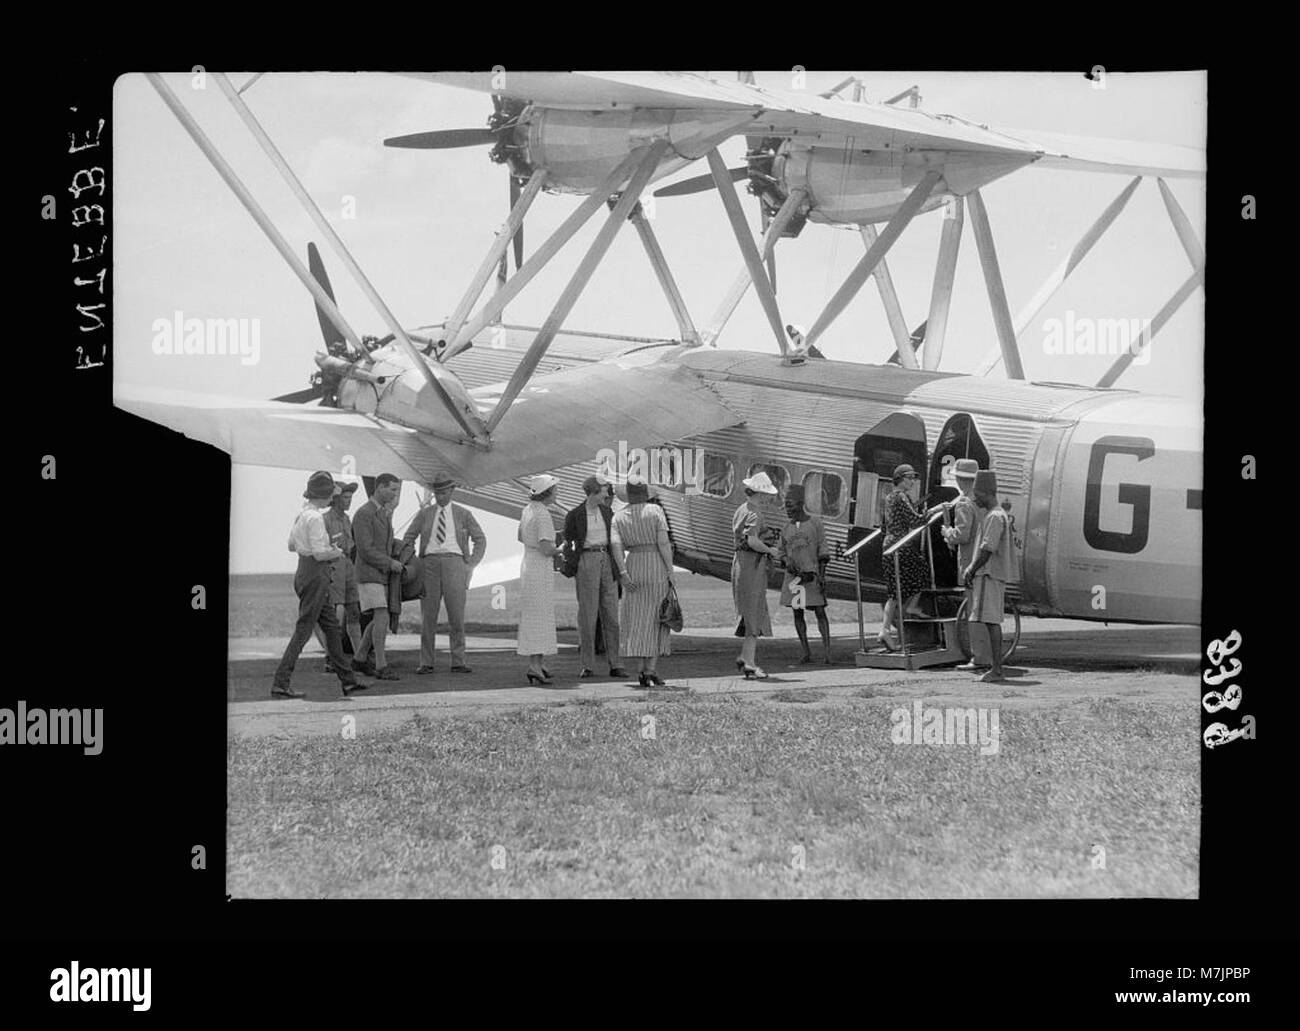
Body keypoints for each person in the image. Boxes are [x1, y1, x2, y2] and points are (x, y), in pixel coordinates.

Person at [272, 471, 368, 699]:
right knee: (303, 631)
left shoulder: (303, 514)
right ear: (324, 495)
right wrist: (335, 551)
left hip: (305, 572)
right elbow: (318, 554)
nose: (332, 499)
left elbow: (291, 545)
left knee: (332, 629)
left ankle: (348, 681)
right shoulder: (315, 518)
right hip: (316, 574)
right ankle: (281, 682)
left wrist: (317, 549)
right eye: (330, 495)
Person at [403, 475, 486, 675]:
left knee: (456, 616)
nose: (440, 496)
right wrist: (413, 561)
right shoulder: (425, 514)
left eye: (444, 492)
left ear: (451, 491)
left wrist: (470, 564)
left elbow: (480, 539)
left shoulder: (464, 514)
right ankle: (426, 662)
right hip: (429, 564)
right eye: (437, 492)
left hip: (455, 564)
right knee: (428, 616)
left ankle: (458, 661)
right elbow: (409, 537)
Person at [563, 475, 628, 679]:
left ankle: (615, 663)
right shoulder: (574, 515)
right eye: (604, 491)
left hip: (606, 559)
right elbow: (569, 542)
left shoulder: (608, 512)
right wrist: (573, 564)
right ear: (593, 492)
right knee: (587, 616)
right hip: (586, 560)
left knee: (611, 615)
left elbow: (616, 540)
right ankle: (588, 664)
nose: (607, 494)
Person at [612, 480, 674, 686]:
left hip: (634, 564)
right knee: (657, 617)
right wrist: (670, 570)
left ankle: (641, 669)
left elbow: (616, 545)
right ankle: (651, 669)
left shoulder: (618, 516)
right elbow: (663, 542)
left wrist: (622, 572)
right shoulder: (655, 510)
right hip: (655, 563)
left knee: (639, 619)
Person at [351, 473, 405, 681]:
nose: (394, 494)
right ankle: (382, 666)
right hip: (369, 574)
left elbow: (384, 544)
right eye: (392, 489)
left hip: (379, 574)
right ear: (380, 487)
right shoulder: (364, 514)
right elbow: (365, 549)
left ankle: (359, 658)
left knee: (378, 618)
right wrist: (390, 563)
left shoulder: (382, 513)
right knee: (382, 614)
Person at [963, 470, 1014, 683]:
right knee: (991, 621)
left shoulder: (994, 517)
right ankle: (996, 668)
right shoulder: (997, 514)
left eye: (978, 494)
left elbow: (987, 549)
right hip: (990, 574)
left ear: (987, 492)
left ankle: (997, 670)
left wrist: (971, 568)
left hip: (988, 574)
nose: (975, 498)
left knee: (991, 622)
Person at [878, 464, 932, 651]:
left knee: (894, 593)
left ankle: (885, 630)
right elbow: (916, 520)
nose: (912, 481)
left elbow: (884, 525)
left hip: (889, 545)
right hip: (901, 546)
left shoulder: (889, 497)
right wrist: (931, 511)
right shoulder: (901, 496)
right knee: (923, 569)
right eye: (909, 477)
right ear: (900, 479)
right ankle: (913, 606)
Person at [776, 484, 832, 665]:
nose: (787, 509)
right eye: (785, 505)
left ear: (800, 504)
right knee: (797, 614)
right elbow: (780, 552)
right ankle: (806, 652)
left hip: (812, 577)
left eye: (790, 504)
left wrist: (821, 575)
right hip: (794, 579)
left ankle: (827, 653)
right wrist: (786, 562)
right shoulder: (786, 529)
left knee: (820, 612)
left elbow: (823, 550)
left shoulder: (815, 523)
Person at [732, 471, 780, 679]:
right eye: (767, 494)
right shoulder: (754, 513)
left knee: (752, 612)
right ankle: (749, 663)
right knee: (754, 613)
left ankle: (746, 656)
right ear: (760, 494)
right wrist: (770, 550)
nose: (769, 498)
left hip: (742, 563)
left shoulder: (741, 510)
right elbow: (752, 541)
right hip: (751, 565)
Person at [940, 459, 985, 671]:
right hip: (984, 561)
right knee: (982, 610)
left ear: (958, 479)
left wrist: (947, 533)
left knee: (972, 611)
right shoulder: (982, 501)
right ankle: (984, 654)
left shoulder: (964, 503)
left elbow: (962, 534)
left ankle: (978, 657)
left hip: (969, 562)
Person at [517, 474, 560, 683]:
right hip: (540, 567)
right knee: (540, 615)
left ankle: (539, 663)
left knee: (534, 614)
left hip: (528, 563)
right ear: (548, 492)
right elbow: (546, 548)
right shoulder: (543, 514)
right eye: (555, 489)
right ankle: (534, 666)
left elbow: (520, 536)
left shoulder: (527, 510)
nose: (557, 493)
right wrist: (560, 549)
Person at [316, 481, 362, 671]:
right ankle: (331, 657)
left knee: (354, 612)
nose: (349, 501)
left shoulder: (346, 519)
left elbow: (350, 546)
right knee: (335, 615)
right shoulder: (324, 520)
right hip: (333, 566)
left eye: (350, 497)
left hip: (348, 566)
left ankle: (359, 656)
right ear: (335, 499)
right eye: (345, 497)